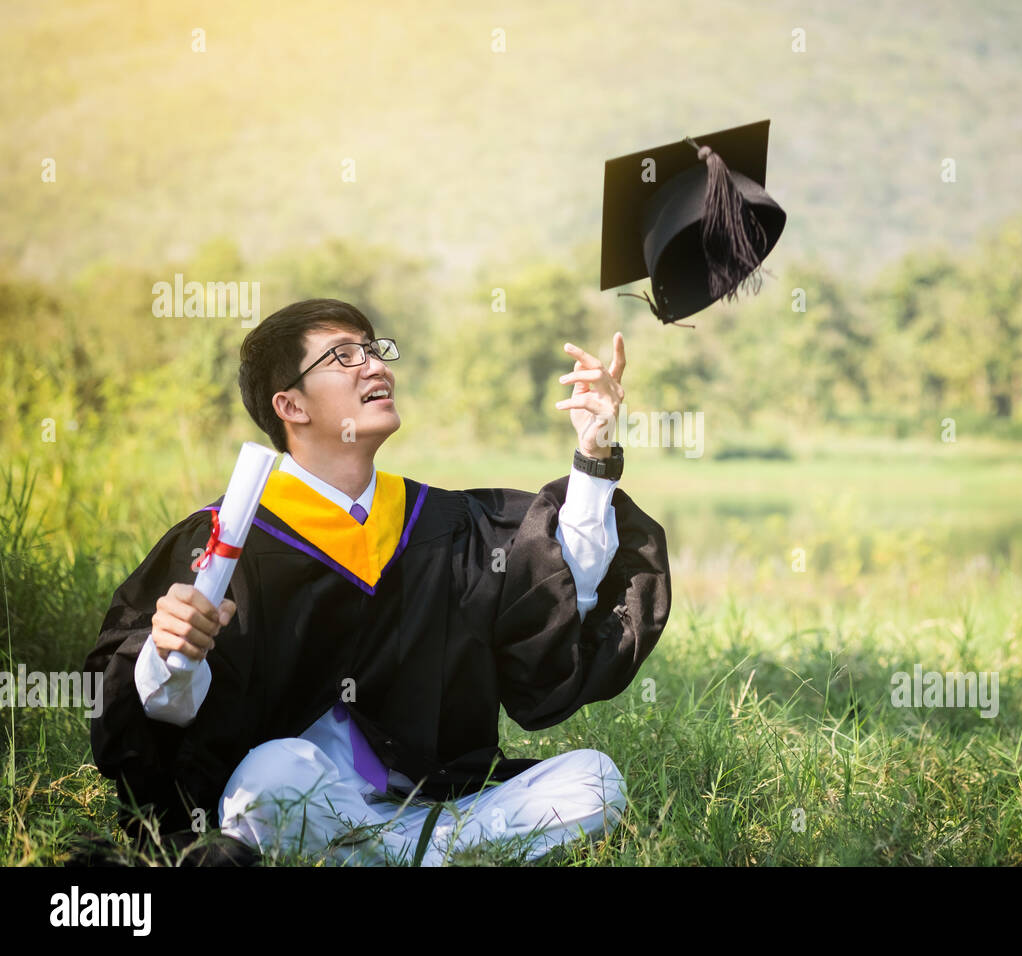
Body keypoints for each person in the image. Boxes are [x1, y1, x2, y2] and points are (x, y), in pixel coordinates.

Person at [84, 298, 671, 866]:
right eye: (344, 356)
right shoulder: (227, 540)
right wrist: (173, 653)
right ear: (290, 406)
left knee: (595, 779)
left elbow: (550, 593)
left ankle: (393, 858)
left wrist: (593, 455)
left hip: (440, 805)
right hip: (308, 802)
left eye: (374, 349)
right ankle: (432, 859)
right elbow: (157, 714)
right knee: (271, 775)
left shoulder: (439, 523)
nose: (376, 365)